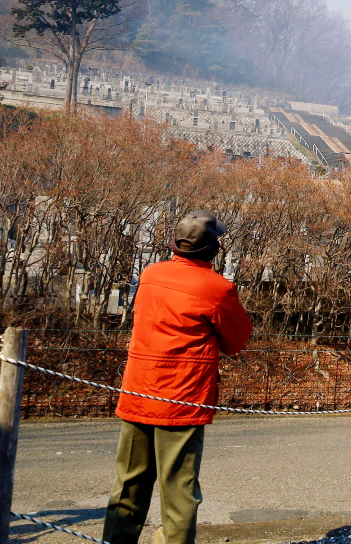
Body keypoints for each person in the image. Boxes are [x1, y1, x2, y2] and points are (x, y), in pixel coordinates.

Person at [103, 211, 254, 544]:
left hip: (138, 390)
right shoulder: (217, 288)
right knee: (179, 490)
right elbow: (237, 340)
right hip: (181, 399)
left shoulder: (150, 274)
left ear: (175, 243)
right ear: (212, 251)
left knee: (128, 483)